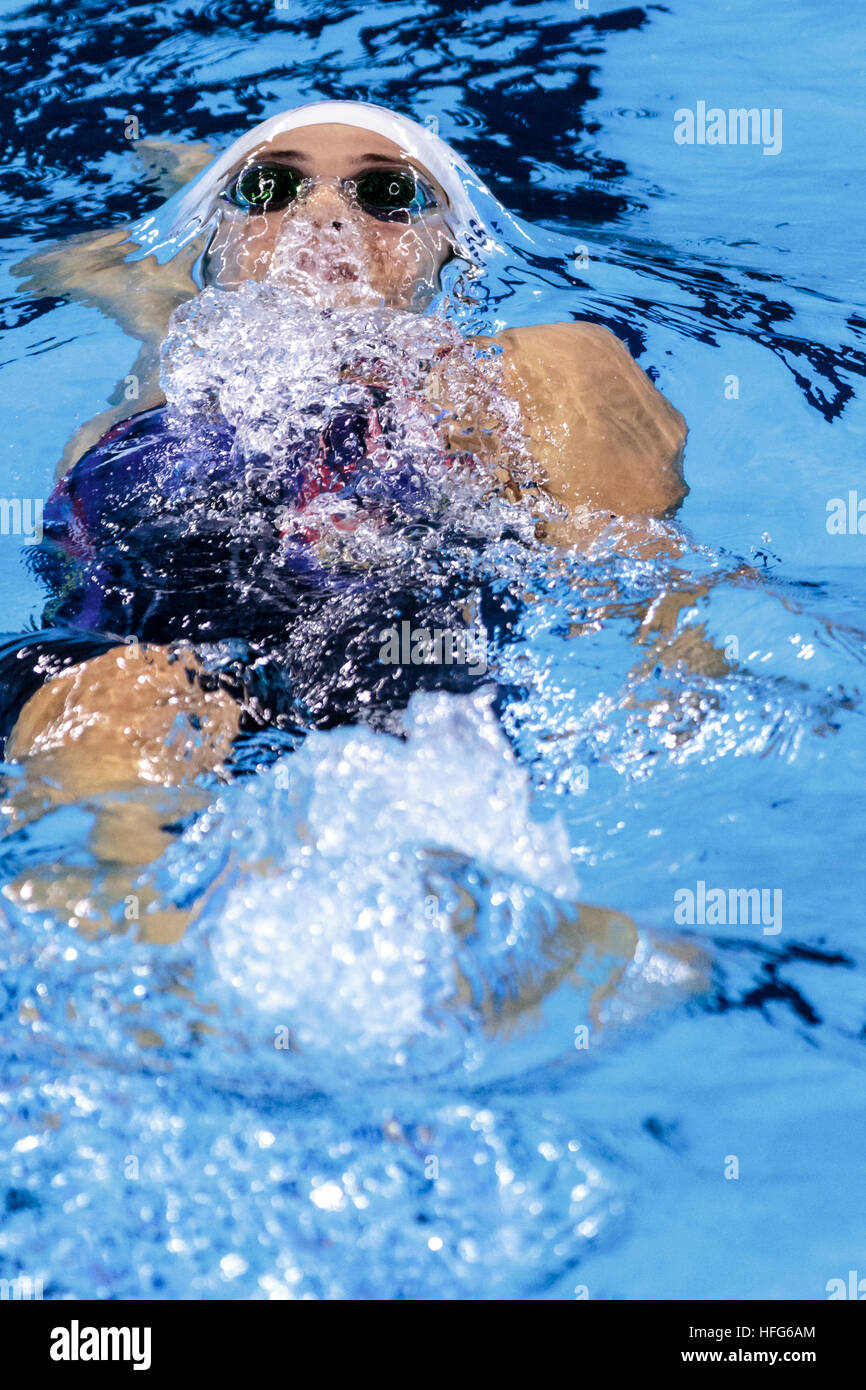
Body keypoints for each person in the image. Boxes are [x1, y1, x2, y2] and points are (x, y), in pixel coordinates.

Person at [6, 100, 688, 806]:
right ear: (215, 241)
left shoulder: (529, 373)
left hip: (381, 686)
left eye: (387, 193)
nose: (323, 216)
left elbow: (642, 573)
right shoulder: (155, 389)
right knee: (119, 698)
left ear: (453, 246)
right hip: (103, 685)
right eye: (269, 188)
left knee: (129, 702)